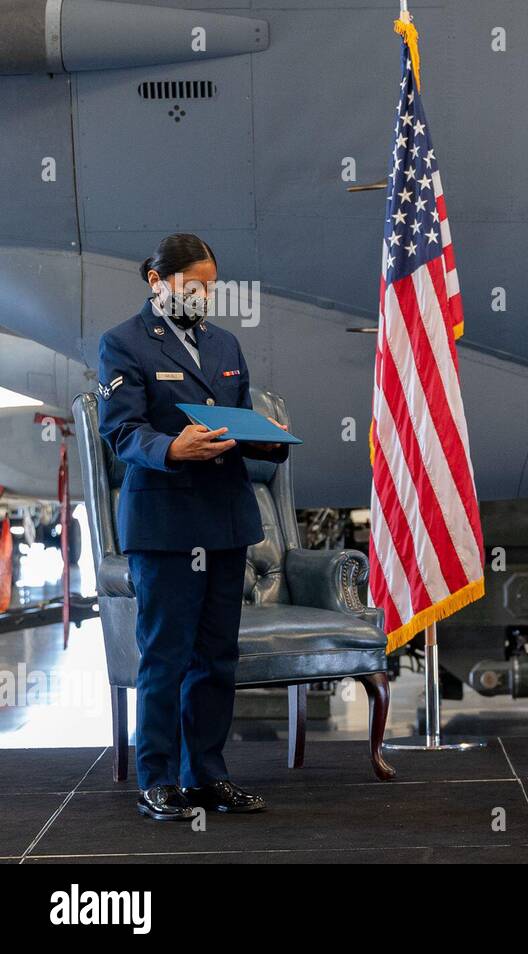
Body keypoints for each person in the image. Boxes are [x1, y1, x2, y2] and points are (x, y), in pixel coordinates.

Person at [97, 233, 289, 821]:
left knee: (216, 657)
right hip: (167, 525)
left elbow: (237, 417)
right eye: (192, 285)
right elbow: (121, 431)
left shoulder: (225, 344)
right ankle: (157, 779)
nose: (203, 295)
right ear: (158, 281)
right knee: (165, 656)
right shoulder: (123, 345)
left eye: (210, 286)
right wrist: (173, 447)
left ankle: (207, 774)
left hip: (225, 521)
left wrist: (263, 436)